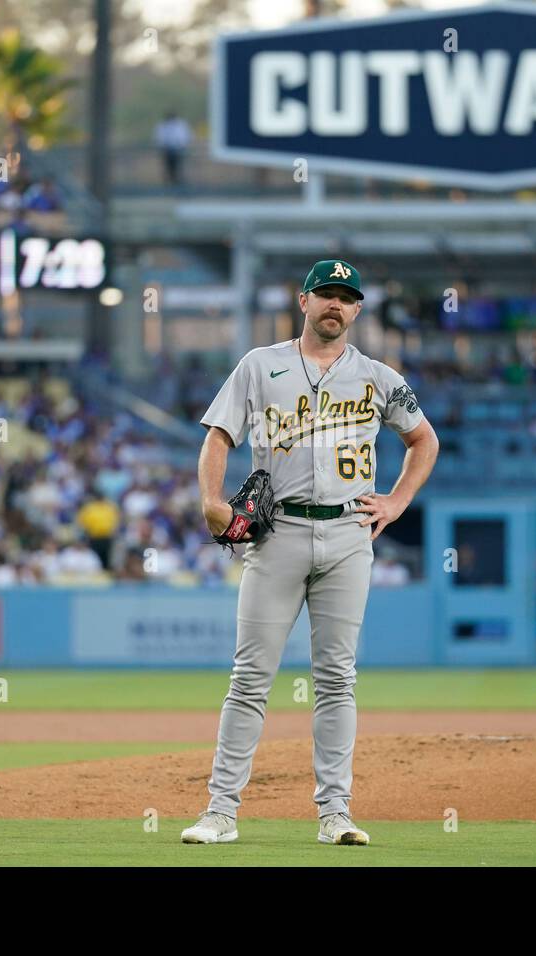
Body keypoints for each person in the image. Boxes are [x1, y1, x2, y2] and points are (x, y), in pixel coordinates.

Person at [181, 259, 439, 846]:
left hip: (350, 535)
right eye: (326, 293)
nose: (335, 304)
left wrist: (397, 501)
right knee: (250, 677)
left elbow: (424, 439)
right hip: (277, 535)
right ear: (304, 301)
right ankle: (220, 812)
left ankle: (336, 814)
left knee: (337, 679)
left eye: (346, 297)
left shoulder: (377, 376)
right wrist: (210, 499)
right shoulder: (260, 365)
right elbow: (219, 434)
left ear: (357, 310)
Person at [153, 112, 192, 187]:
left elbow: (184, 136)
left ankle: (177, 183)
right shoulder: (163, 125)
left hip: (178, 149)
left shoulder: (180, 125)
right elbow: (160, 137)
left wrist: (182, 145)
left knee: (178, 168)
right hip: (167, 149)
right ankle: (169, 184)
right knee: (168, 168)